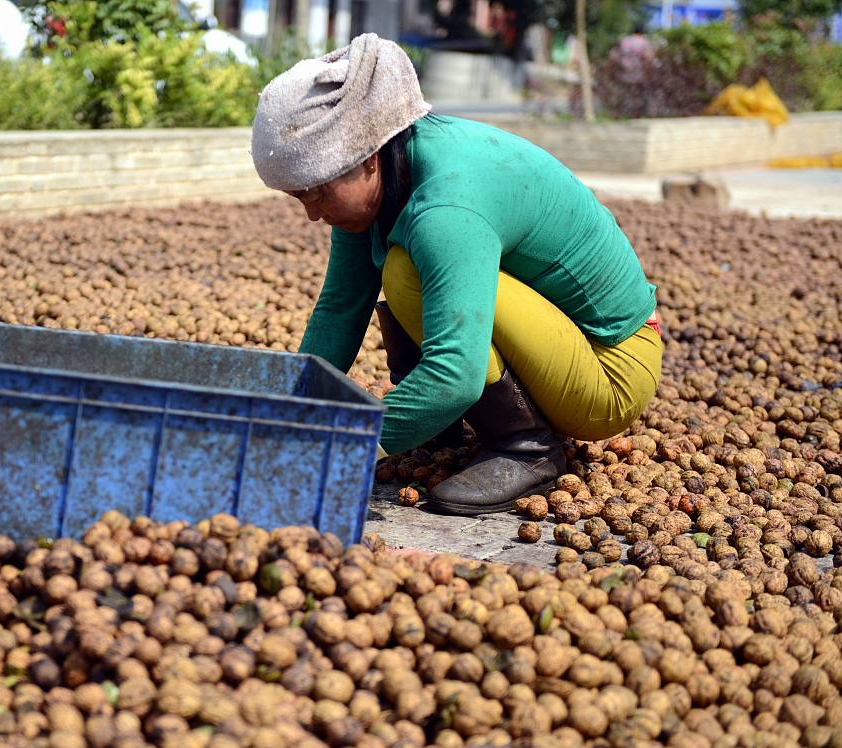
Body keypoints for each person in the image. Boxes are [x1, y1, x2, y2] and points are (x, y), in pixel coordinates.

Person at [250, 33, 663, 515]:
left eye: (318, 193)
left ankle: (526, 448)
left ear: (365, 158)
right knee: (411, 267)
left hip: (610, 372)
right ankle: (441, 429)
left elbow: (456, 374)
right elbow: (341, 308)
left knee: (406, 273)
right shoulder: (387, 174)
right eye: (300, 198)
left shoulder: (446, 206)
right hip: (555, 340)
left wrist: (338, 444)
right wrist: (286, 416)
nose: (312, 215)